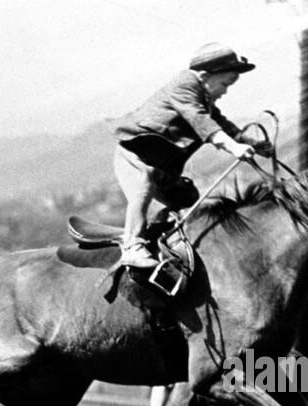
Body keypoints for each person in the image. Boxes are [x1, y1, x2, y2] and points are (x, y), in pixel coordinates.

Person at [112, 43, 271, 270]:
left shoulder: (203, 97)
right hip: (135, 157)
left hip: (165, 171)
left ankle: (166, 234)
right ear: (204, 75)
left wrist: (251, 142)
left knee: (188, 200)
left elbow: (221, 123)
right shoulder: (184, 86)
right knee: (143, 188)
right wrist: (234, 148)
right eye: (225, 84)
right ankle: (132, 246)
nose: (225, 91)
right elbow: (200, 121)